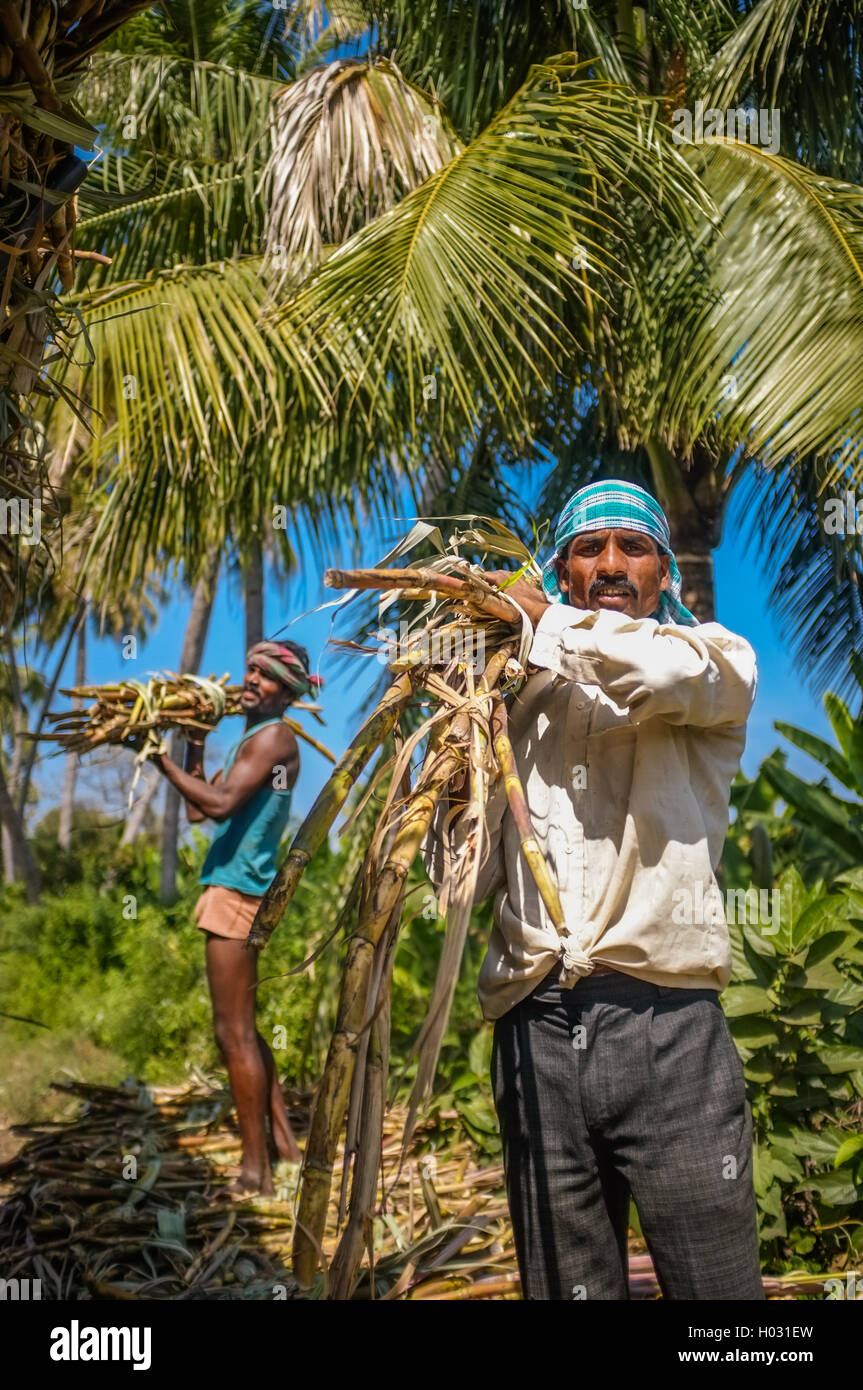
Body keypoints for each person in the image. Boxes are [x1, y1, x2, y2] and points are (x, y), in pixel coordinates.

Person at [422, 478, 763, 1300]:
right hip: (534, 1033)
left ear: (660, 574)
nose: (610, 565)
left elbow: (648, 669)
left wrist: (540, 620)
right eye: (586, 549)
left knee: (717, 1298)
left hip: (667, 1031)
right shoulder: (513, 701)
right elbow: (460, 885)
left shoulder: (710, 662)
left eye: (632, 547)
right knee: (566, 1288)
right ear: (561, 568)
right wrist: (451, 750)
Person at [148, 639, 322, 1195]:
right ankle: (284, 1146)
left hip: (236, 894)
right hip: (237, 890)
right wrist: (193, 741)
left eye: (265, 675)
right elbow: (204, 806)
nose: (250, 680)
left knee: (233, 1034)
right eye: (248, 669)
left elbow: (219, 807)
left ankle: (256, 1172)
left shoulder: (273, 737)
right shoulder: (253, 739)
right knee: (245, 1029)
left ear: (287, 691)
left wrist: (154, 758)